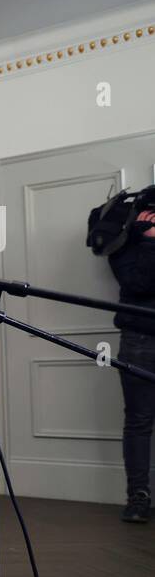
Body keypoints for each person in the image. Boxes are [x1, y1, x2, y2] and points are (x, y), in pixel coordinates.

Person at [110, 205, 155, 522]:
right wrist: (149, 241)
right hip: (139, 339)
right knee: (139, 421)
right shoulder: (122, 238)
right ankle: (138, 497)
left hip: (139, 340)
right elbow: (138, 283)